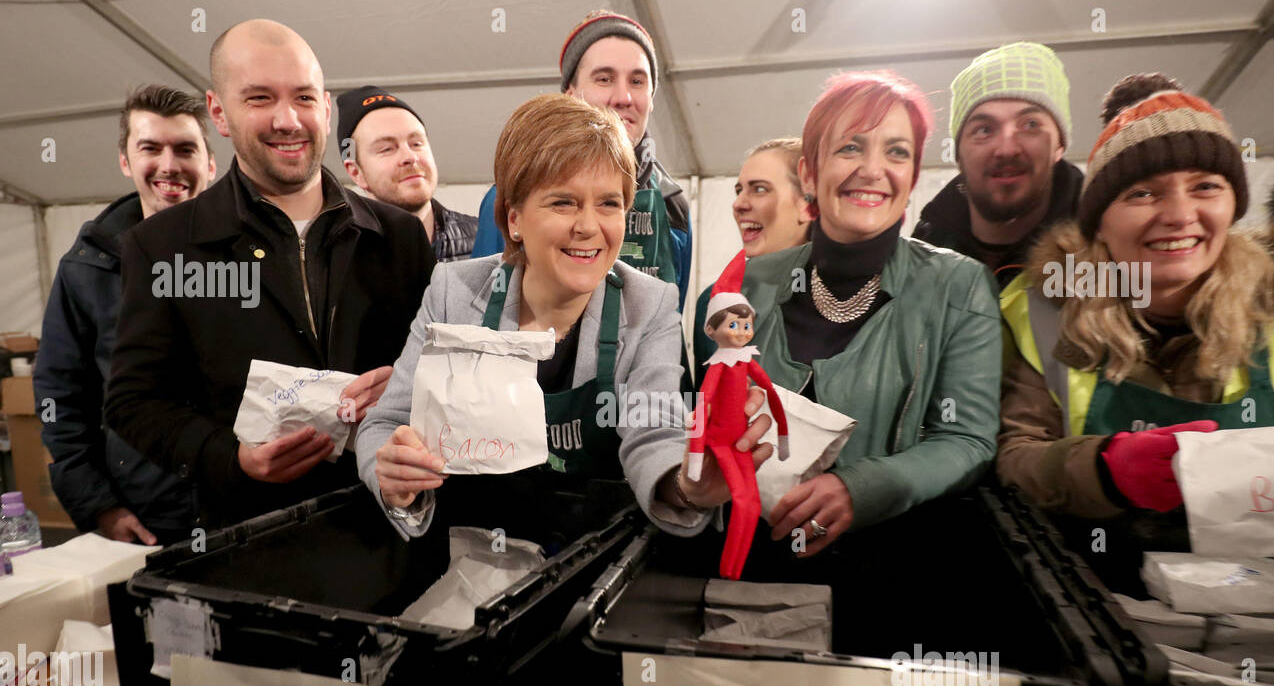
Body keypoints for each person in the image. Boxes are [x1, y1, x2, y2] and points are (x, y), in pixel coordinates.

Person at [358, 93, 770, 537]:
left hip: (590, 558)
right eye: (563, 203)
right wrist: (393, 470)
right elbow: (387, 422)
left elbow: (655, 431)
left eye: (609, 204)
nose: (589, 226)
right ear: (514, 218)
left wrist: (687, 484)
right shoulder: (454, 291)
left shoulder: (647, 305)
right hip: (471, 550)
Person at [105, 20, 433, 528]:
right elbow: (133, 402)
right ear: (219, 112)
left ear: (325, 108)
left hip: (390, 527)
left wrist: (406, 391)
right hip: (252, 538)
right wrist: (230, 458)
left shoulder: (399, 237)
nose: (288, 119)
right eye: (259, 98)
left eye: (303, 97)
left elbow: (440, 373)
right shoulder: (163, 247)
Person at [998, 79, 1274, 589]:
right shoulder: (1041, 308)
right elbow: (1013, 458)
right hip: (1097, 600)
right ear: (1099, 223)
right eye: (1143, 193)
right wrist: (1104, 469)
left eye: (1206, 186)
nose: (1180, 215)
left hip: (1273, 614)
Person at [693, 71, 1002, 560]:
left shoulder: (959, 287)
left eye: (896, 152)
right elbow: (697, 426)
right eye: (850, 148)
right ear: (810, 174)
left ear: (914, 175)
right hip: (739, 561)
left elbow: (967, 438)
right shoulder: (737, 291)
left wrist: (862, 488)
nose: (873, 169)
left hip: (889, 570)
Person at [34, 84, 216, 545]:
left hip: (248, 504)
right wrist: (97, 506)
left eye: (185, 148)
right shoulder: (86, 267)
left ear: (210, 165)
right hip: (148, 518)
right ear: (125, 161)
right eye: (150, 148)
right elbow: (61, 399)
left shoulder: (252, 257)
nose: (169, 165)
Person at [470, 9, 693, 306]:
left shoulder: (671, 202)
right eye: (604, 79)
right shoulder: (515, 191)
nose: (623, 97)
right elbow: (482, 313)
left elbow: (674, 312)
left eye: (637, 81)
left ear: (652, 99)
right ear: (571, 94)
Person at [913, 42, 1083, 290]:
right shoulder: (921, 263)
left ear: (1059, 146)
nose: (1006, 149)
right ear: (958, 153)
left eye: (1030, 125)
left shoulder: (1108, 260)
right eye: (984, 129)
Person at [693, 137, 812, 382]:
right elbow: (703, 408)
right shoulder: (713, 300)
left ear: (807, 204)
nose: (738, 204)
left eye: (759, 189)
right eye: (739, 190)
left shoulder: (843, 300)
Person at [336, 85, 477, 262]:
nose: (410, 157)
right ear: (357, 173)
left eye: (416, 143)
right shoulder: (340, 257)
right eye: (387, 149)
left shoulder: (483, 239)